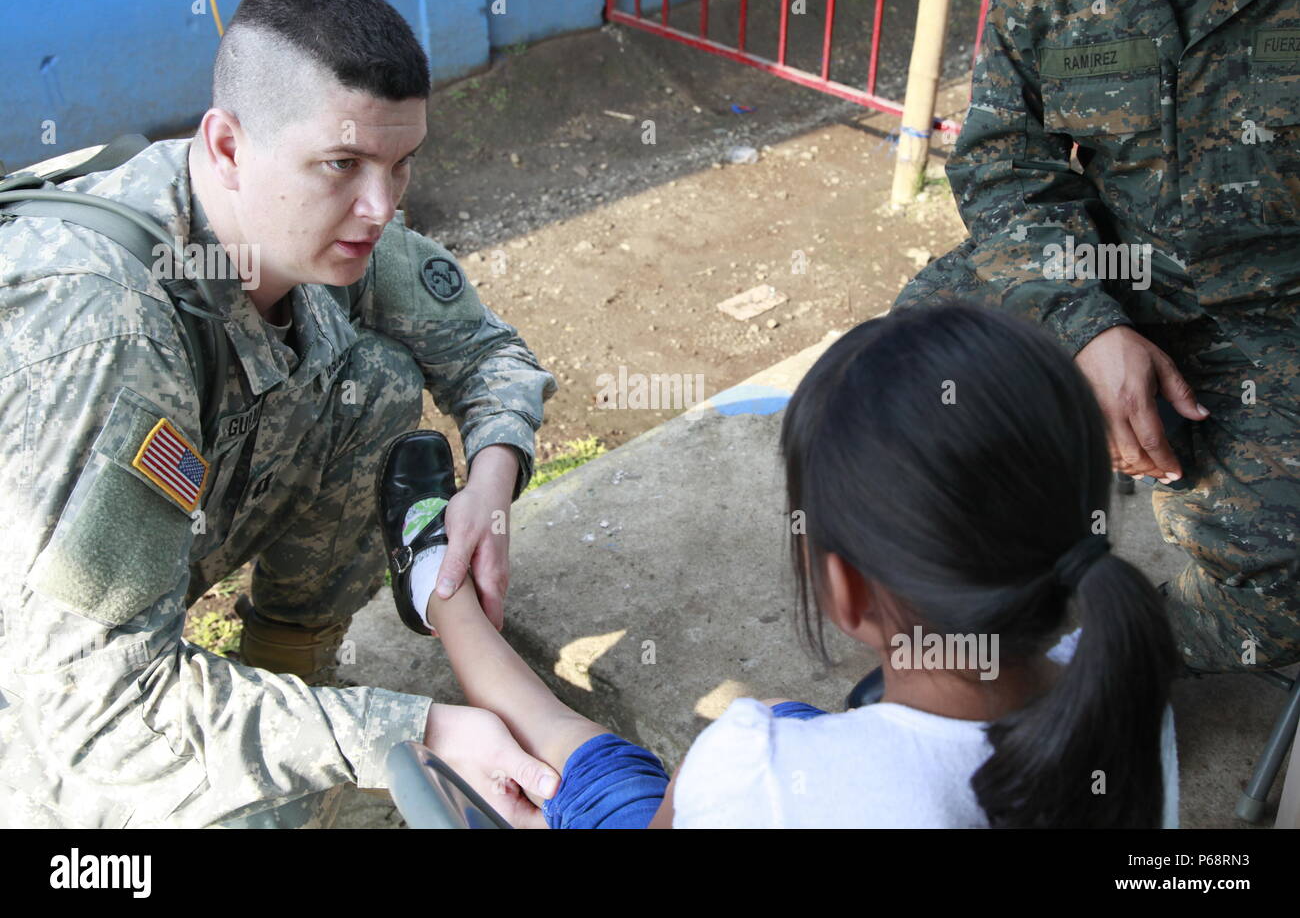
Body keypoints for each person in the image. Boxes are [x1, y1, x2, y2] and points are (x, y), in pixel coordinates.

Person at [0, 0, 559, 827]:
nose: (380, 207)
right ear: (227, 145)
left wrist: (491, 480)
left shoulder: (302, 220)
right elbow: (95, 713)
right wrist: (414, 733)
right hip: (36, 672)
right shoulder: (109, 331)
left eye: (401, 163)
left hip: (129, 574)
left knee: (371, 379)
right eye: (343, 164)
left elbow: (485, 349)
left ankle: (287, 667)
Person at [393, 304, 1181, 828]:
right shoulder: (1120, 684)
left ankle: (438, 580)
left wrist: (744, 751)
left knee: (584, 764)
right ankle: (437, 581)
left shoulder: (759, 775)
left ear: (846, 589)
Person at [893, 0, 1300, 675]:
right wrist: (1084, 326)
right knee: (897, 381)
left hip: (1275, 317)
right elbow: (1006, 165)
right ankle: (991, 609)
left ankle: (1094, 665)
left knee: (1278, 599)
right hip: (1101, 262)